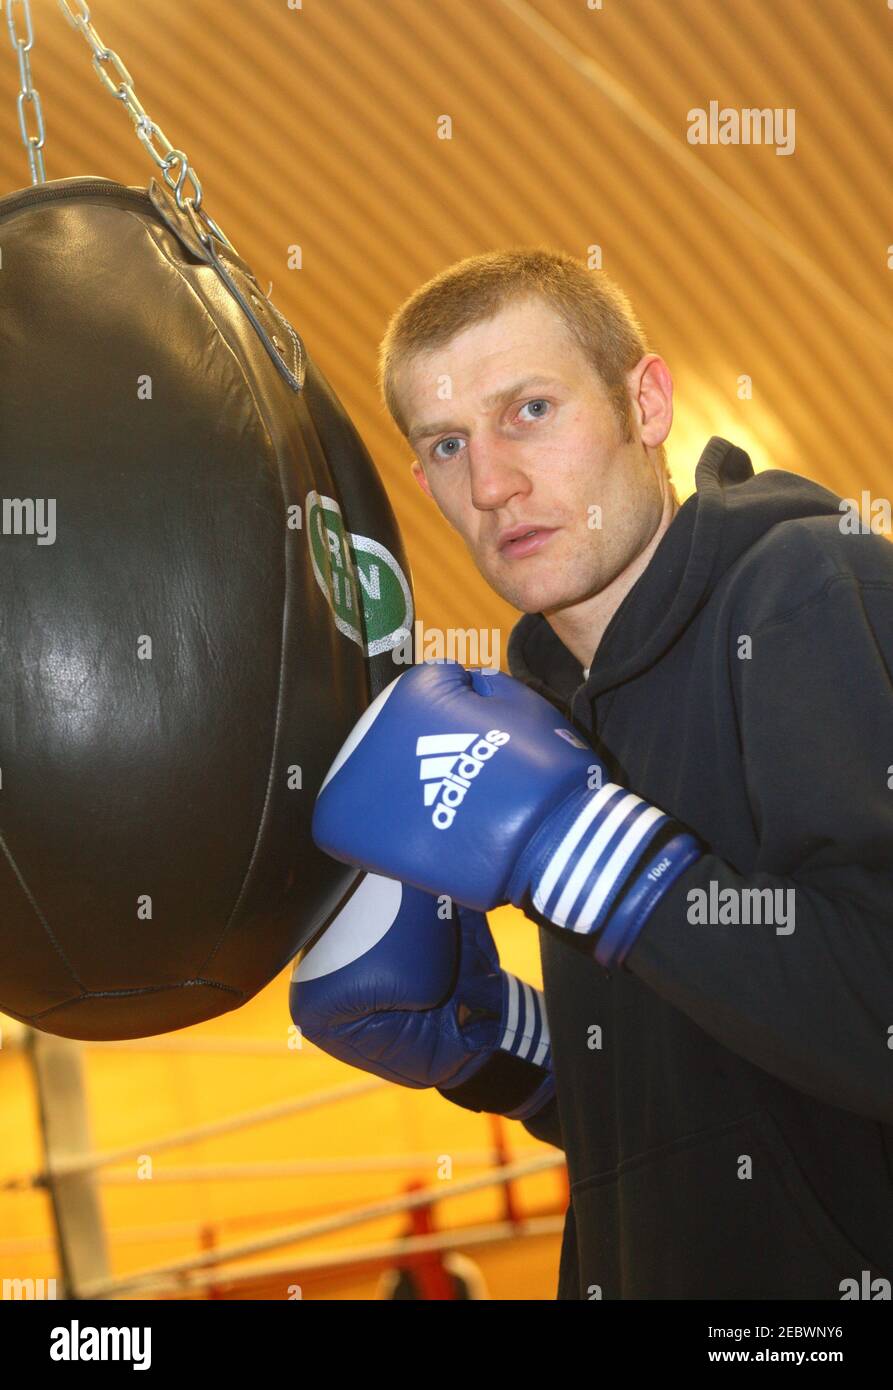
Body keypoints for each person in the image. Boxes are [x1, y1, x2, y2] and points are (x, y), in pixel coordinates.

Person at [292, 248, 893, 1299]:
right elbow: (734, 1096)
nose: (491, 484)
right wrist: (506, 1053)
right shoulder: (549, 723)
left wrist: (598, 860)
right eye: (445, 444)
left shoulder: (805, 588)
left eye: (527, 410)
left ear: (644, 404)